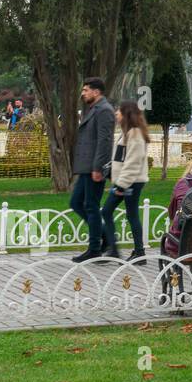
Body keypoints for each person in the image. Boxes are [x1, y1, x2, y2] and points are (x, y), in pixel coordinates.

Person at [69, 78, 115, 262]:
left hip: (94, 167)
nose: (83, 93)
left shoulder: (104, 110)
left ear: (96, 92)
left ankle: (95, 248)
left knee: (91, 206)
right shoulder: (94, 109)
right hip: (87, 167)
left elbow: (105, 141)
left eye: (86, 90)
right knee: (76, 202)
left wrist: (99, 168)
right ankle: (105, 237)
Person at [100, 100, 151, 260]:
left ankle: (126, 250)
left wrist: (121, 185)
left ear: (126, 114)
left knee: (113, 211)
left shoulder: (134, 134)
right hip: (129, 181)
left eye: (119, 111)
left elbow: (133, 163)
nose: (116, 114)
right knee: (130, 214)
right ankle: (134, 251)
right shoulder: (129, 132)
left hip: (130, 182)